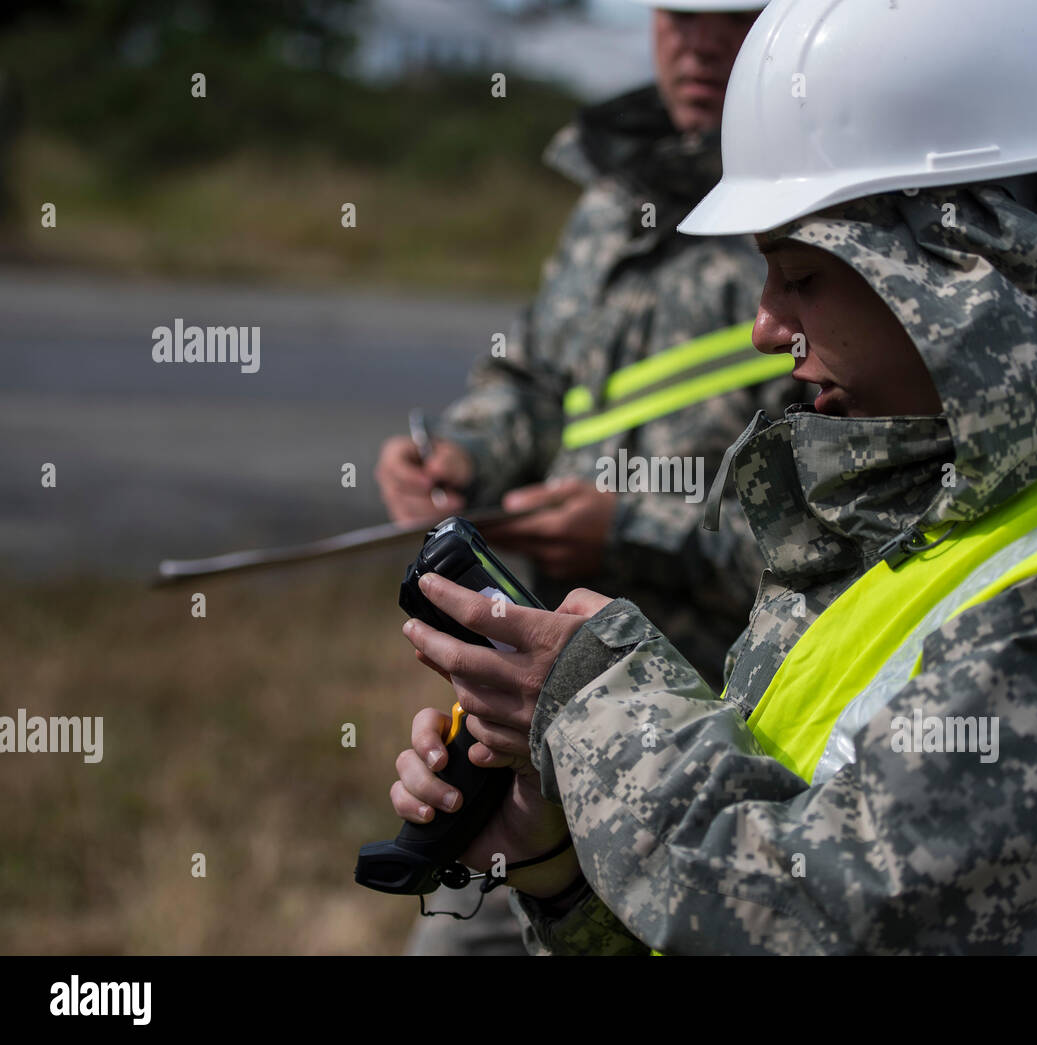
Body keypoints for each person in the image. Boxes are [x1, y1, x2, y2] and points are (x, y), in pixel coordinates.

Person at [387, 0, 1037, 954]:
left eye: (803, 275)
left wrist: (592, 708)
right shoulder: (905, 502)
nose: (765, 326)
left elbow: (840, 923)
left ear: (956, 268)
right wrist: (558, 865)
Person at [378, 0, 794, 954]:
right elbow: (534, 375)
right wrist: (459, 454)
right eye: (674, 14)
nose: (696, 41)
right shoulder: (611, 195)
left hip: (705, 741)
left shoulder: (813, 222)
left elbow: (844, 531)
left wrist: (625, 529)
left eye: (729, 16)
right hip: (531, 725)